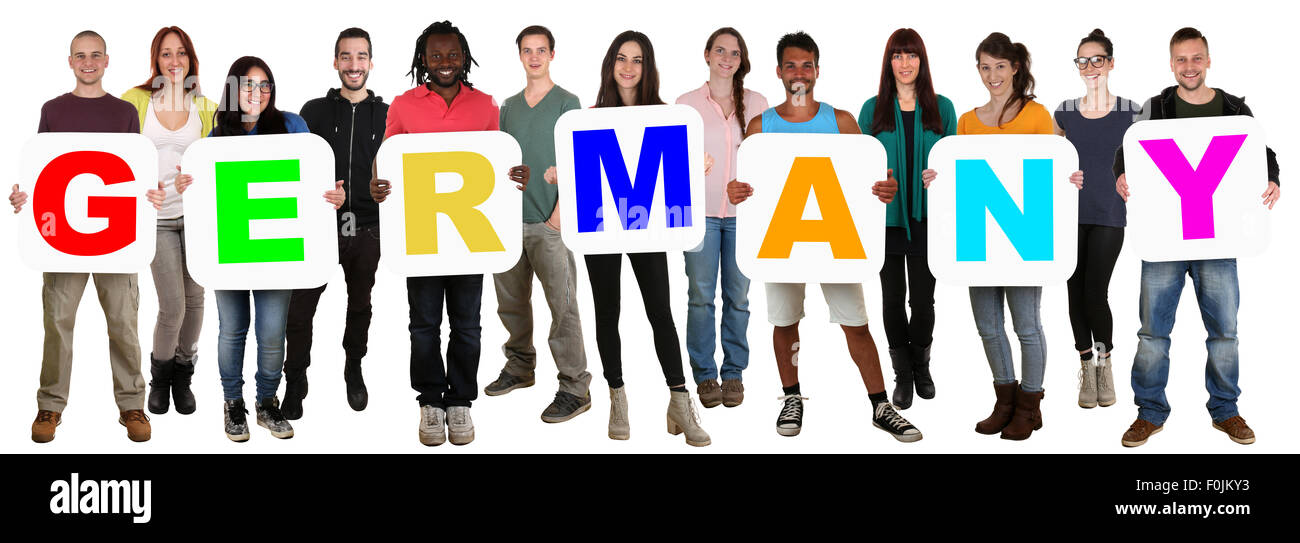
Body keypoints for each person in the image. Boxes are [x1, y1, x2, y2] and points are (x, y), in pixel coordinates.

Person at [726, 31, 919, 442]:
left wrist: (882, 190)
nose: (800, 72)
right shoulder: (762, 126)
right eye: (791, 65)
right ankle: (792, 396)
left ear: (817, 70)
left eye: (807, 65)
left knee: (856, 324)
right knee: (784, 321)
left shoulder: (842, 121)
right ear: (779, 71)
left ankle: (880, 405)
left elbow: (867, 180)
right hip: (781, 239)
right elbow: (749, 185)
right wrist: (735, 191)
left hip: (835, 239)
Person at [1113, 27, 1281, 447]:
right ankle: (1149, 413)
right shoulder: (1157, 107)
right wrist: (1121, 175)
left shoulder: (1233, 106)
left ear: (1208, 61)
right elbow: (1125, 151)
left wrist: (1273, 179)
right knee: (1153, 332)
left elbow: (1262, 151)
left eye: (1196, 58)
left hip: (1218, 238)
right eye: (1181, 60)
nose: (1189, 67)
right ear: (1172, 64)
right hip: (1164, 238)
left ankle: (1226, 410)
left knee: (1224, 331)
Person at [370, 20, 531, 446]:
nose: (445, 63)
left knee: (467, 325)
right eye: (436, 55)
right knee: (423, 324)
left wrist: (517, 173)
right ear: (423, 59)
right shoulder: (404, 105)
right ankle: (429, 401)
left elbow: (500, 163)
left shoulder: (485, 105)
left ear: (465, 58)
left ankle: (460, 400)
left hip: (469, 237)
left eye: (453, 55)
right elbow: (386, 160)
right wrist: (377, 183)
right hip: (421, 235)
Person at [568, 30, 712, 446]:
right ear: (609, 65)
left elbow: (676, 173)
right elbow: (583, 170)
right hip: (601, 223)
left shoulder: (666, 116)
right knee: (606, 310)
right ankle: (617, 396)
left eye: (637, 60)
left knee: (659, 311)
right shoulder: (590, 115)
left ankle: (680, 401)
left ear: (648, 68)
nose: (628, 68)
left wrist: (694, 162)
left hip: (645, 223)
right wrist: (564, 172)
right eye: (621, 58)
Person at [11, 30, 152, 443]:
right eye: (80, 56)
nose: (87, 62)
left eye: (95, 55)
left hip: (115, 236)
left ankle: (132, 404)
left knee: (124, 322)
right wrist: (25, 194)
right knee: (57, 322)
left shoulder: (125, 112)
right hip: (63, 238)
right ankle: (50, 406)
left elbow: (133, 171)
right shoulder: (52, 110)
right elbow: (44, 170)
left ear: (106, 61)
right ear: (70, 62)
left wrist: (151, 194)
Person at [941, 32, 1083, 441]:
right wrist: (937, 177)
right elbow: (959, 181)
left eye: (1000, 66)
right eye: (985, 67)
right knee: (988, 326)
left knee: (1026, 325)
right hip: (978, 238)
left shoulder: (1037, 116)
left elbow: (1057, 172)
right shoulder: (966, 121)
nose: (992, 75)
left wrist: (1071, 177)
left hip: (1025, 237)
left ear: (1015, 67)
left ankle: (1029, 405)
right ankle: (1004, 401)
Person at [206, 56, 345, 441]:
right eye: (248, 85)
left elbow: (315, 179)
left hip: (278, 249)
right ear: (233, 89)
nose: (257, 93)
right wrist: (190, 186)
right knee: (232, 330)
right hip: (232, 248)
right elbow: (209, 194)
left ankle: (267, 403)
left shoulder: (291, 126)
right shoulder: (218, 135)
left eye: (264, 85)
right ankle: (234, 405)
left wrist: (333, 195)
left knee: (271, 333)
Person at [481, 25, 594, 423]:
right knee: (511, 305)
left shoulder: (568, 102)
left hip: (551, 222)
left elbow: (581, 162)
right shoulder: (507, 107)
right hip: (509, 224)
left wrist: (558, 216)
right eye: (527, 50)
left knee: (563, 308)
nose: (534, 57)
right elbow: (498, 163)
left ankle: (575, 386)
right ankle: (519, 367)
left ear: (551, 54)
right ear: (520, 55)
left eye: (541, 50)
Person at [281, 27, 389, 420]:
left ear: (371, 63)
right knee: (299, 310)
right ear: (335, 62)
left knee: (360, 304)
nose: (354, 64)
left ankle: (353, 366)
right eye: (346, 56)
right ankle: (295, 380)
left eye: (361, 57)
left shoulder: (386, 114)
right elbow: (296, 166)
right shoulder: (314, 111)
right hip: (321, 228)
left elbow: (396, 171)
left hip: (366, 228)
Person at [857, 28, 955, 410]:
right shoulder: (873, 108)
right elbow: (858, 167)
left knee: (925, 301)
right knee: (892, 300)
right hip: (886, 220)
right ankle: (901, 373)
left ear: (922, 61)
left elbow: (957, 166)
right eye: (897, 55)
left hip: (928, 219)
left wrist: (940, 176)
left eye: (911, 55)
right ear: (889, 62)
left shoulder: (942, 108)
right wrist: (875, 182)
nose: (905, 63)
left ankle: (921, 366)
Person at [126, 26, 217, 418]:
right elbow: (118, 158)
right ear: (156, 59)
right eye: (166, 54)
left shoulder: (208, 107)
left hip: (196, 218)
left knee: (196, 302)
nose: (174, 60)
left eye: (181, 53)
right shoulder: (135, 101)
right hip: (156, 218)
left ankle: (184, 374)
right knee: (173, 306)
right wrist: (142, 188)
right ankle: (160, 377)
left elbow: (219, 164)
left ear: (191, 58)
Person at [674, 27, 767, 409]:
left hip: (745, 216)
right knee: (700, 297)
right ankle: (705, 375)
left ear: (741, 60)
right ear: (708, 55)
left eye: (734, 53)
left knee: (739, 298)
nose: (727, 58)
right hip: (700, 215)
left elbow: (768, 158)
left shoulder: (759, 102)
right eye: (720, 51)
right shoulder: (686, 103)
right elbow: (672, 161)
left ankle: (734, 373)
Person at [1052, 29, 1137, 410]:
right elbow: (1050, 164)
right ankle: (1086, 364)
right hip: (1069, 215)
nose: (1089, 67)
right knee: (1073, 293)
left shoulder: (1133, 112)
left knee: (1094, 292)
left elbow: (1148, 161)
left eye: (1097, 60)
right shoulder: (1065, 112)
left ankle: (1105, 363)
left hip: (1108, 214)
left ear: (1111, 63)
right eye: (1082, 61)